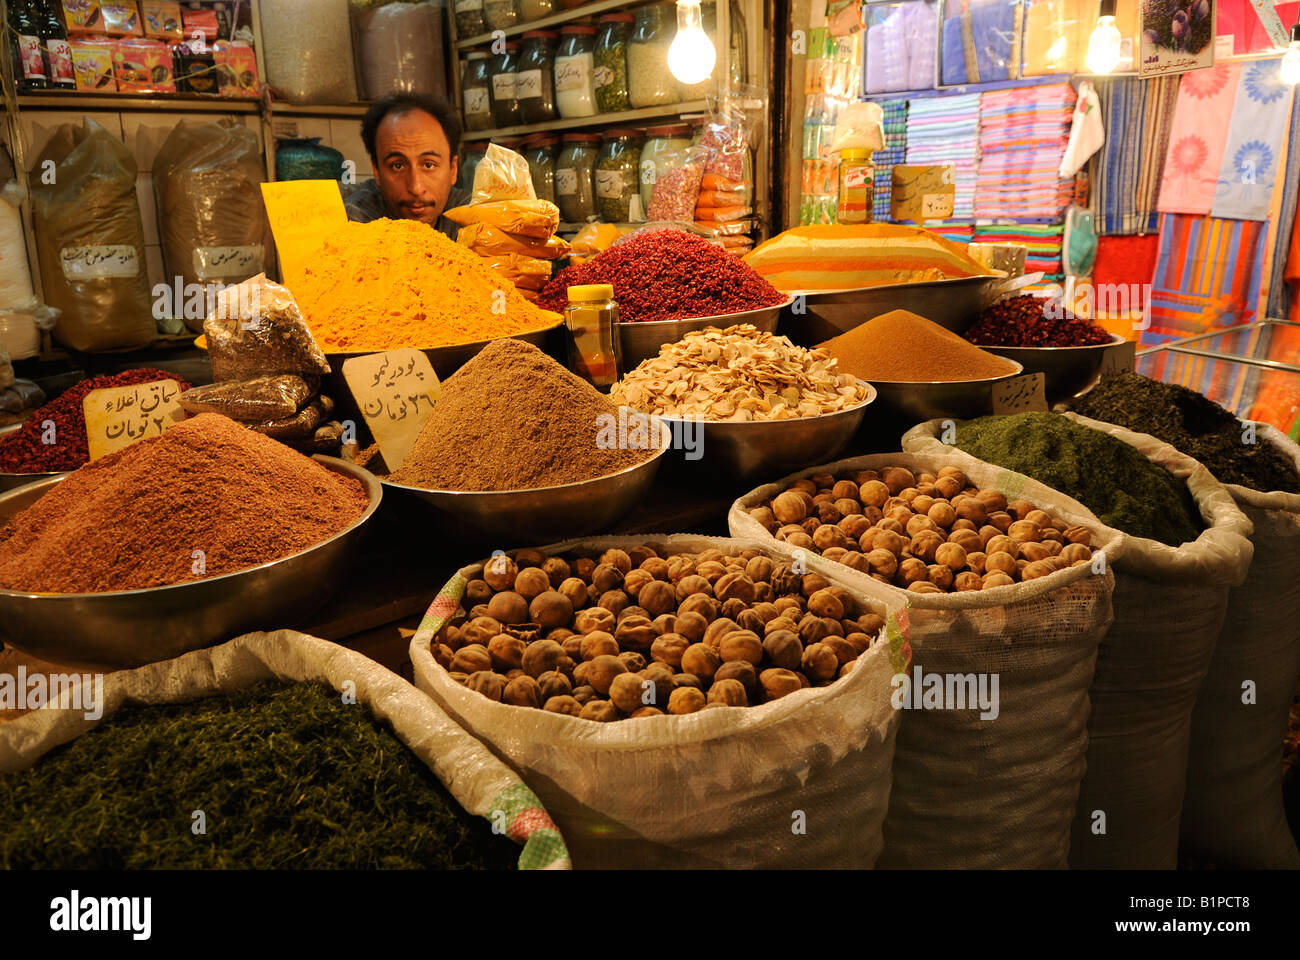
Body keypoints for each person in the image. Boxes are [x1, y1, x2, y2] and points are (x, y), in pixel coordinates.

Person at [346, 93, 470, 239]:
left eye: (429, 165)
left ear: (453, 169)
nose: (416, 188)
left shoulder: (472, 217)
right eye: (398, 166)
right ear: (377, 171)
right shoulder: (355, 224)